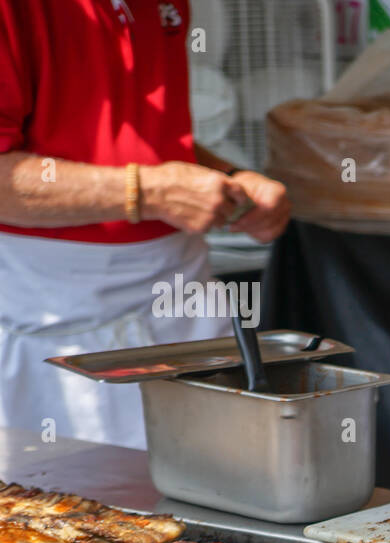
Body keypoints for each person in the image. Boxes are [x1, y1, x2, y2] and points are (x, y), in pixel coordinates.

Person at [0, 0, 291, 449]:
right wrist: (150, 192)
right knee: (76, 505)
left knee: (215, 476)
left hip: (183, 294)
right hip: (61, 306)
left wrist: (231, 180)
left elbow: (138, 134)